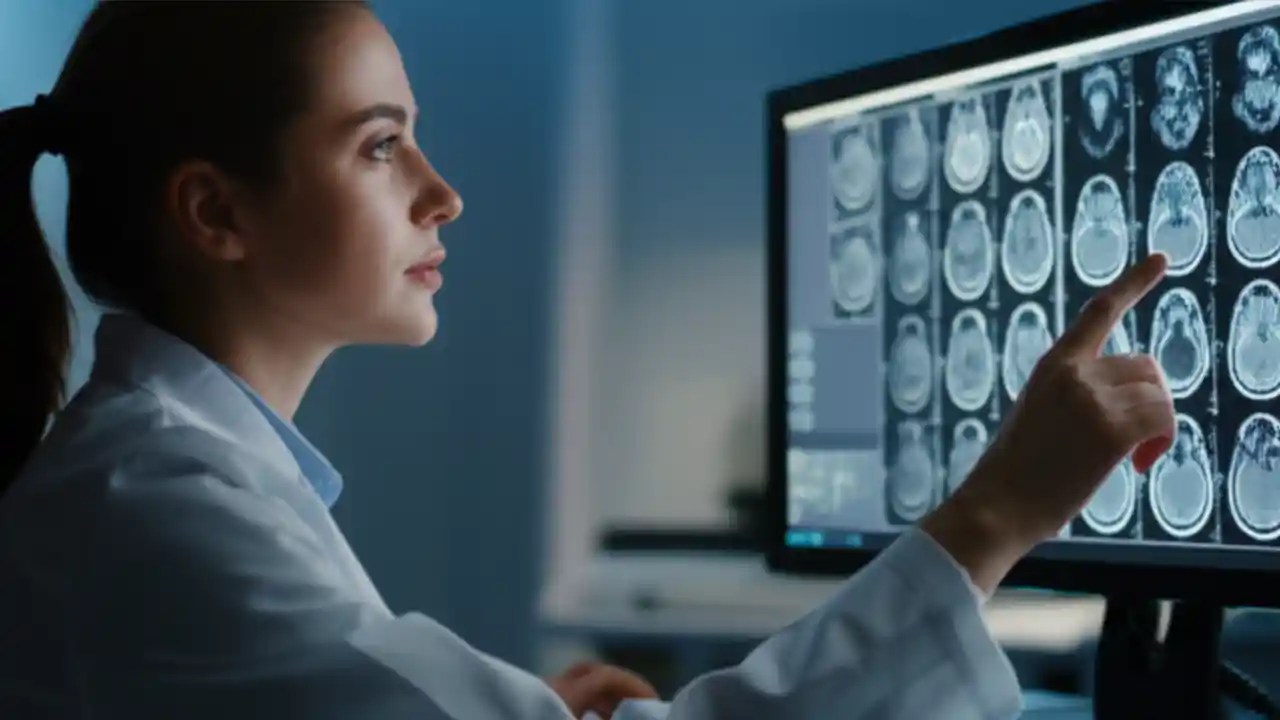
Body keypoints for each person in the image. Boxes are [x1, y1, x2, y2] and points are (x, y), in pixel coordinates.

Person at [0, 2, 1175, 719]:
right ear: (215, 213)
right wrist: (997, 512)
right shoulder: (151, 508)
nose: (442, 195)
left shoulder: (162, 478)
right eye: (381, 146)